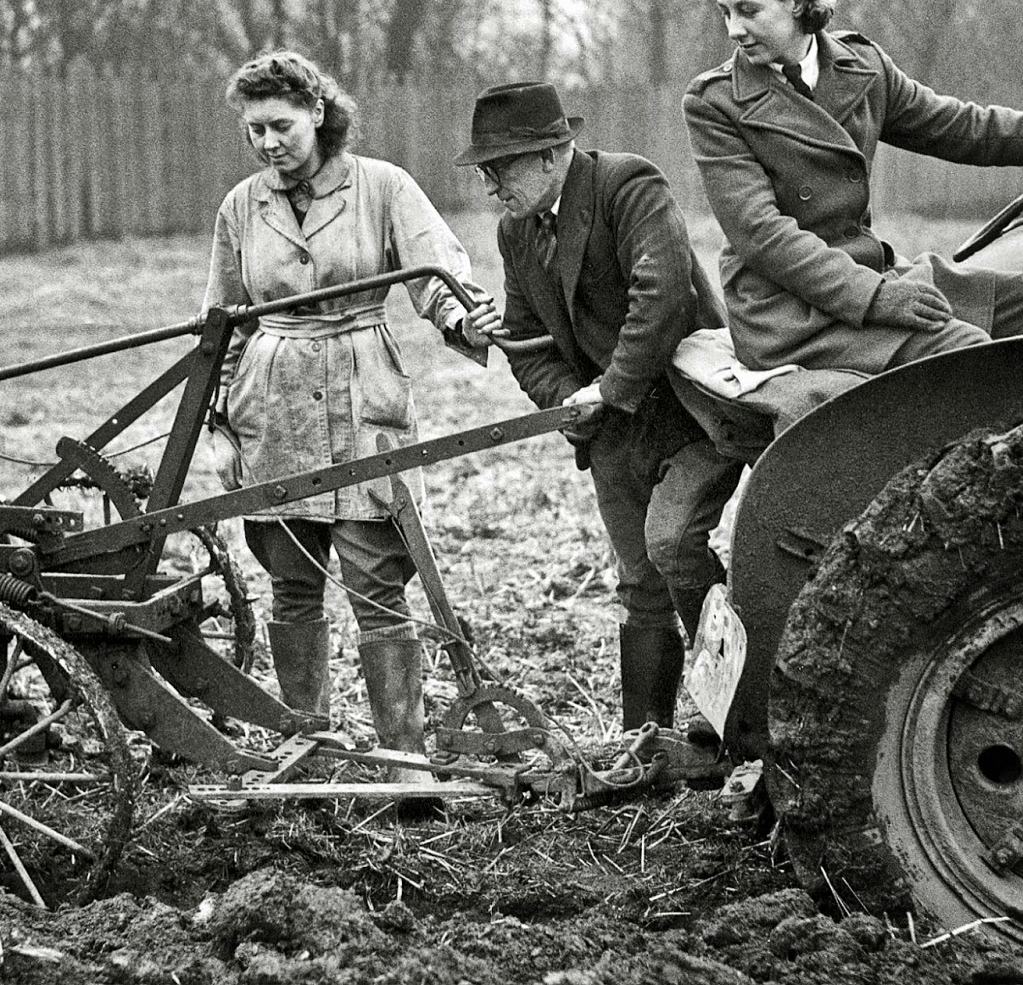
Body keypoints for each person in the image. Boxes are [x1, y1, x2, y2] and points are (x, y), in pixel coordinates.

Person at [684, 0, 1023, 375]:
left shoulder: (862, 67)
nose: (734, 30)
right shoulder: (716, 103)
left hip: (873, 276)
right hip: (787, 312)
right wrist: (875, 297)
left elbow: (965, 128)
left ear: (797, 0)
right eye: (725, 12)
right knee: (964, 353)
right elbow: (763, 236)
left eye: (748, 10)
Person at [203, 50, 492, 777]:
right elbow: (223, 324)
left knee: (376, 577)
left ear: (319, 115)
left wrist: (467, 320)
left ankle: (403, 753)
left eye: (282, 125)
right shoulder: (241, 208)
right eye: (255, 130)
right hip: (270, 405)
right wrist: (220, 426)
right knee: (291, 580)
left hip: (364, 391)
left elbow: (436, 277)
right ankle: (311, 744)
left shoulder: (382, 186)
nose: (269, 143)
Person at [459, 82, 747, 732]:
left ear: (551, 154)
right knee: (639, 582)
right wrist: (571, 400)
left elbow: (663, 291)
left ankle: (744, 707)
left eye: (498, 170)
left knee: (672, 542)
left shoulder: (626, 185)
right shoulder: (517, 234)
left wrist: (608, 386)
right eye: (484, 174)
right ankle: (644, 739)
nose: (490, 189)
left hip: (691, 410)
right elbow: (527, 344)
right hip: (613, 431)